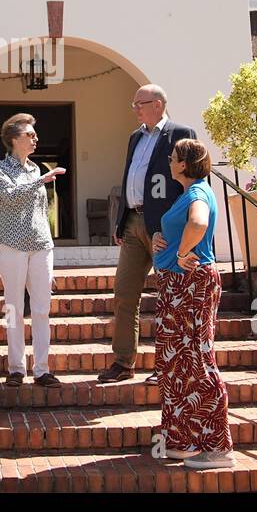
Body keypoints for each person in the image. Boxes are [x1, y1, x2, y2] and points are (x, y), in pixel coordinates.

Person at [98, 85, 196, 384]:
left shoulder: (181, 133)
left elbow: (188, 182)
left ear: (158, 104)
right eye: (134, 103)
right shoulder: (135, 136)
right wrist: (120, 221)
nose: (135, 109)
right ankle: (123, 362)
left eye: (139, 103)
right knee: (125, 294)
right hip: (131, 223)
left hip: (164, 228)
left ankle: (168, 364)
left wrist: (176, 225)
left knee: (170, 296)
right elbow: (129, 177)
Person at [150, 138, 234, 470]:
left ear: (184, 164)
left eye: (172, 158)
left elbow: (198, 224)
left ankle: (217, 448)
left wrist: (184, 253)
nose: (169, 162)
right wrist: (163, 241)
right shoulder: (187, 194)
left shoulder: (198, 192)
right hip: (176, 285)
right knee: (174, 363)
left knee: (197, 360)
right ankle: (182, 441)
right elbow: (183, 226)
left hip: (191, 284)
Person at [0, 112, 63, 389]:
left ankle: (42, 369)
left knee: (42, 308)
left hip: (41, 245)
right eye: (29, 135)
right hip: (11, 245)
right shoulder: (1, 168)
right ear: (13, 139)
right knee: (13, 308)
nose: (36, 139)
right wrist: (42, 181)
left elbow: (41, 210)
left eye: (35, 134)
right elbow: (9, 198)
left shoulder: (36, 168)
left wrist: (40, 179)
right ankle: (16, 368)